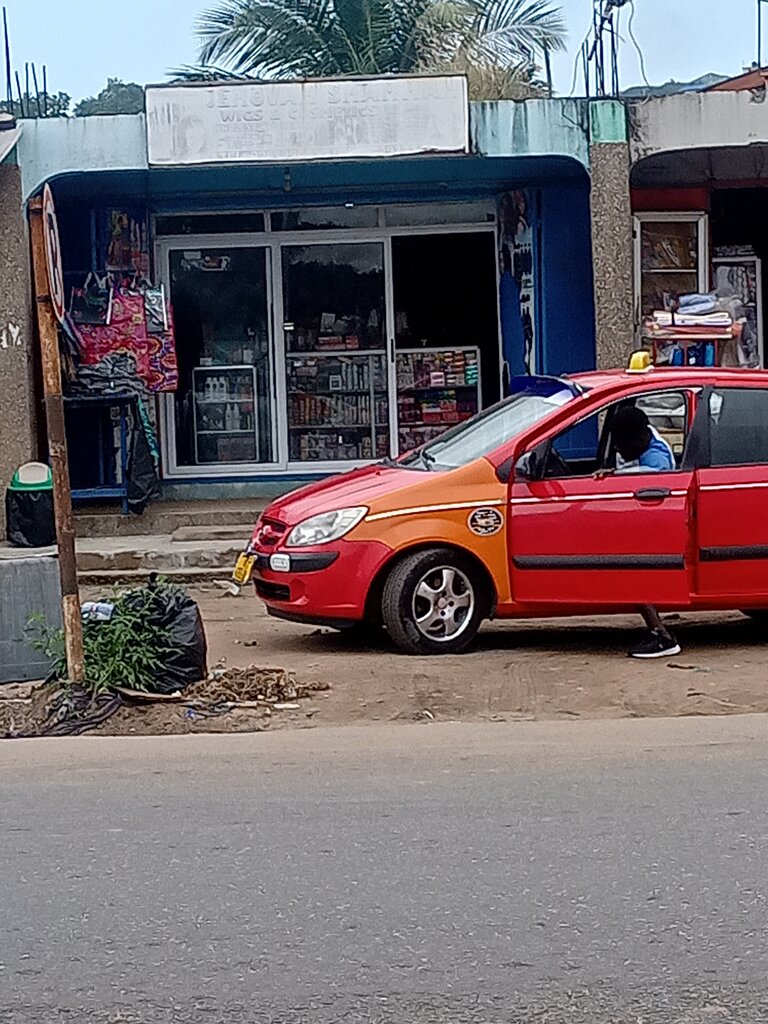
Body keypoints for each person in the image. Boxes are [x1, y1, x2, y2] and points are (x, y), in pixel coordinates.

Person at [611, 405, 682, 660]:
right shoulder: (644, 437)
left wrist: (610, 476)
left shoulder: (656, 460)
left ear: (641, 439)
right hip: (650, 518)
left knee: (635, 568)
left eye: (622, 444)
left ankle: (661, 634)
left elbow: (642, 480)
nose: (618, 448)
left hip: (659, 523)